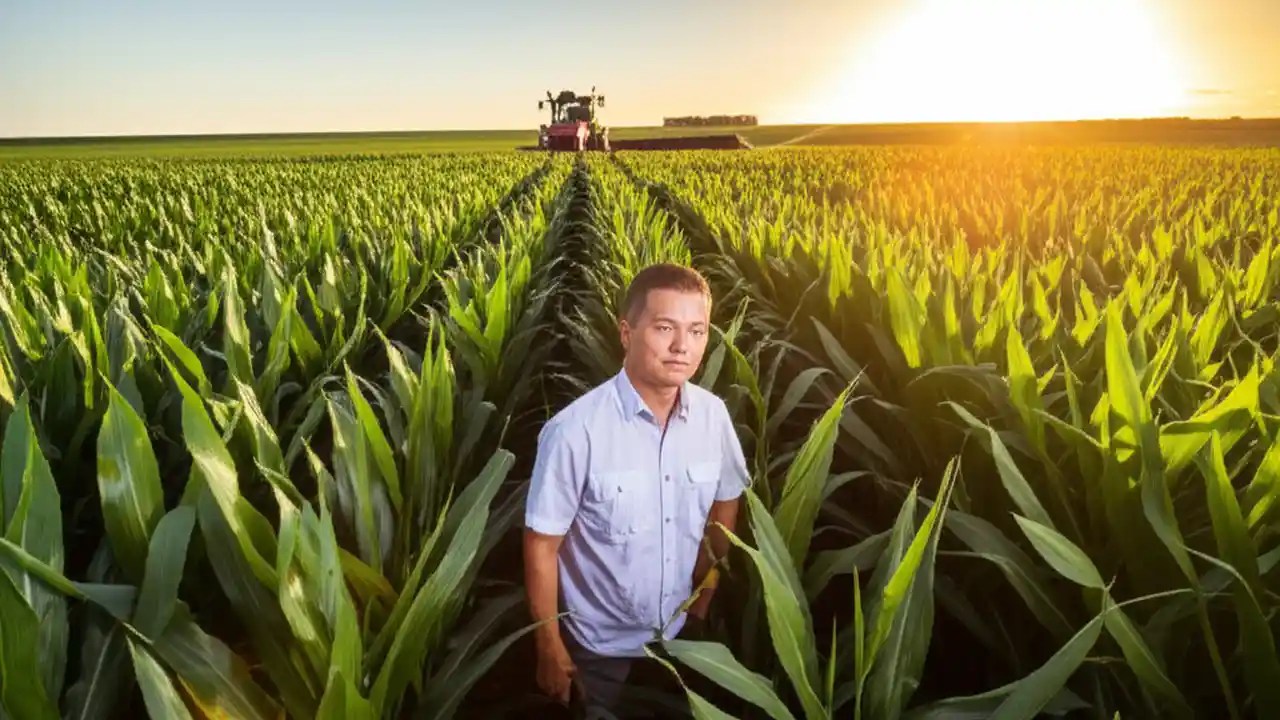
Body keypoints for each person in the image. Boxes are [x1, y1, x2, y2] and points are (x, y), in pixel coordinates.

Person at [523, 263, 749, 718]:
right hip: (599, 650)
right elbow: (541, 545)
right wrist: (548, 645)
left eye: (697, 330)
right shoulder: (573, 432)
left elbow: (726, 501)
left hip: (682, 639)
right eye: (665, 327)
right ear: (626, 332)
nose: (682, 346)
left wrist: (704, 595)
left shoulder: (713, 417)